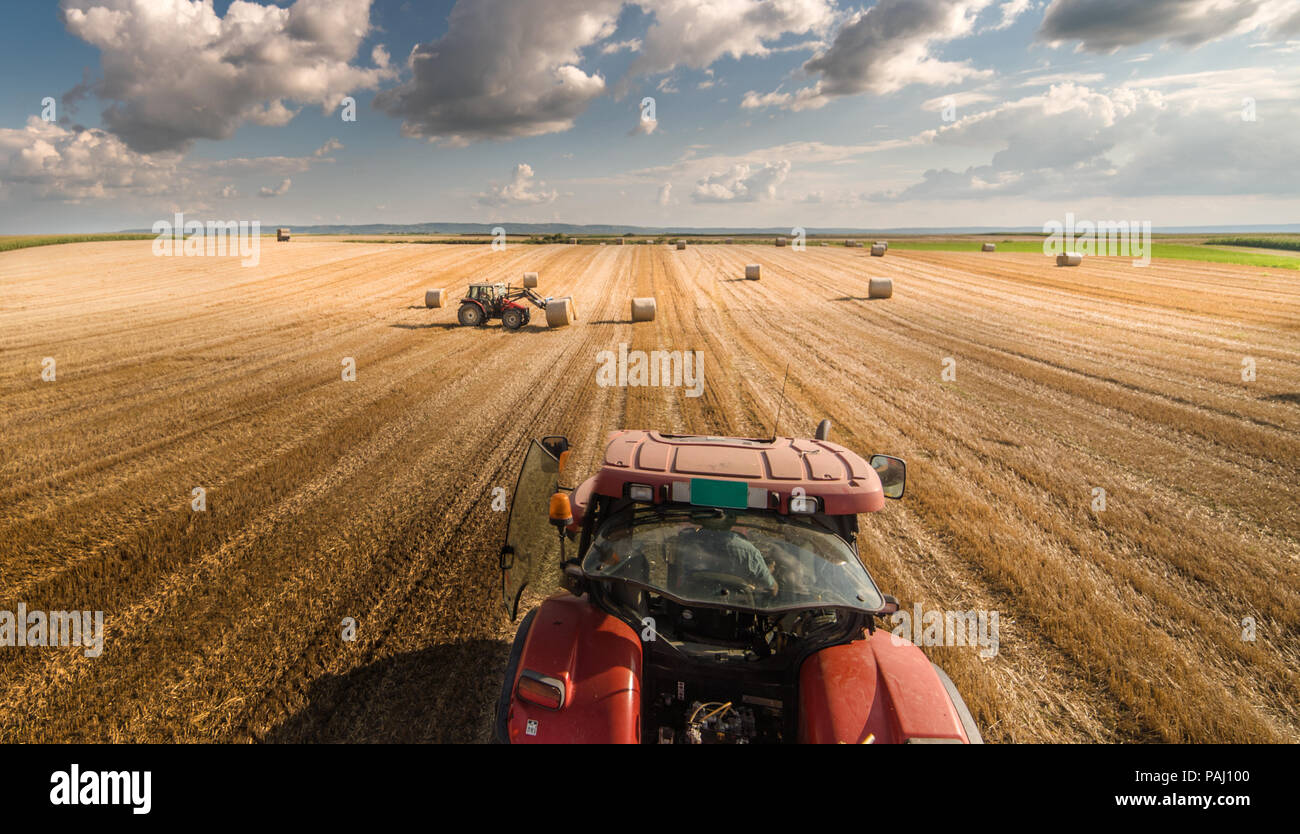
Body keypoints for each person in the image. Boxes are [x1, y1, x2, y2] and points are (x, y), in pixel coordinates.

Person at [675, 511, 778, 597]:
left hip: (692, 608)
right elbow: (772, 589)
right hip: (739, 612)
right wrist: (767, 570)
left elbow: (682, 577)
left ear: (702, 520)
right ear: (732, 520)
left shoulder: (688, 544)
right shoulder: (749, 552)